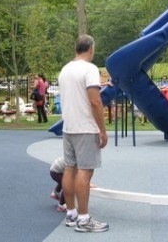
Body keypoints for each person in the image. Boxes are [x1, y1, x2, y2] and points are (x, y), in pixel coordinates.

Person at [58, 35, 109, 232]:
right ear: (91, 49)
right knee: (85, 172)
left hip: (68, 127)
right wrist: (102, 130)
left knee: (70, 169)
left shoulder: (65, 69)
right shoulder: (90, 69)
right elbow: (95, 101)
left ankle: (71, 213)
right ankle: (84, 218)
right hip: (86, 127)